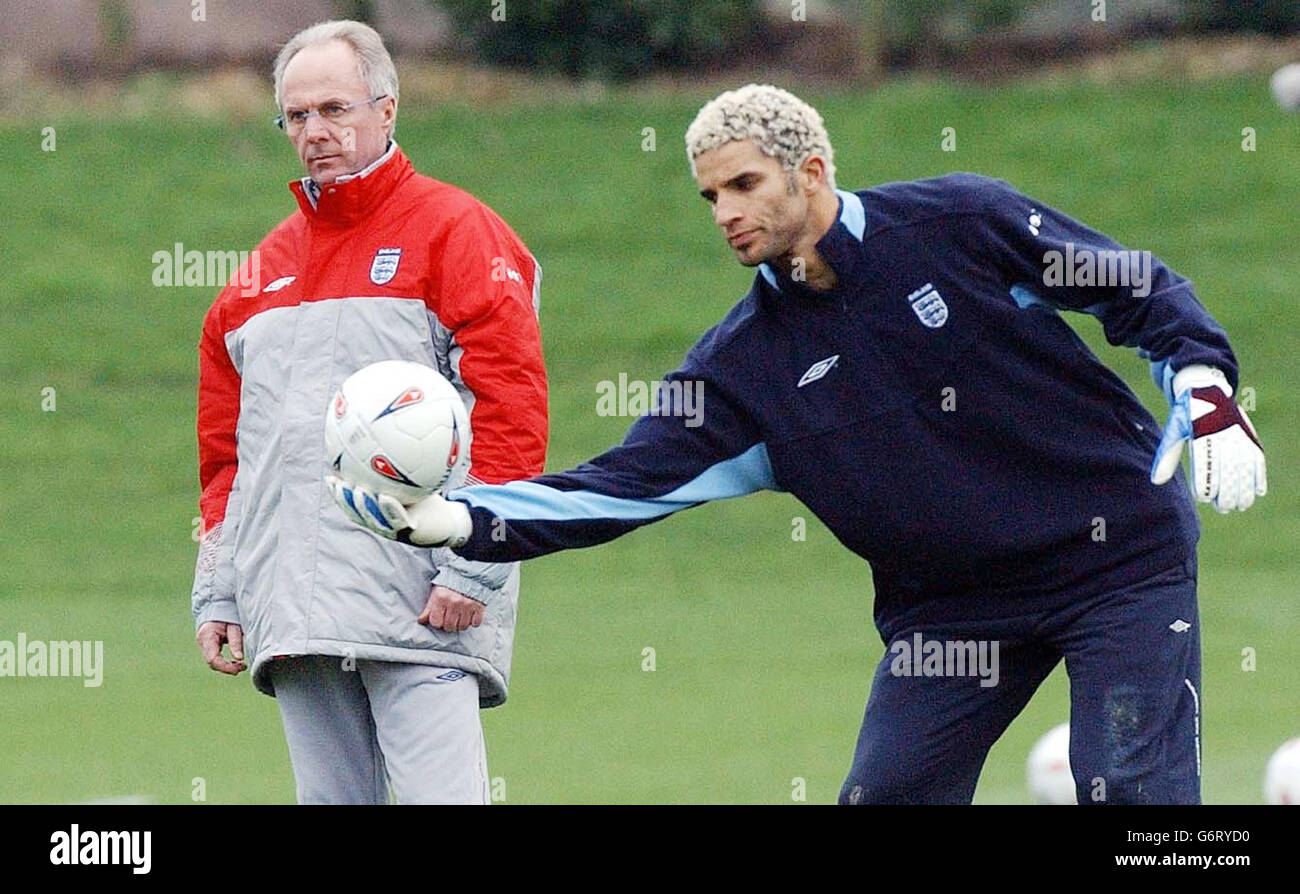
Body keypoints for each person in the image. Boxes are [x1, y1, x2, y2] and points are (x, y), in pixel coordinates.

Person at [328, 84, 1266, 804]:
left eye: (745, 184)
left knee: (1130, 792)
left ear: (811, 169)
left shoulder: (962, 224)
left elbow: (1136, 290)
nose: (725, 210)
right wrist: (458, 517)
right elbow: (618, 487)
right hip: (951, 616)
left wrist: (1208, 391)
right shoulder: (739, 373)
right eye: (709, 195)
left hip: (1116, 563)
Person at [191, 20, 548, 804]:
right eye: (297, 116)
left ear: (387, 110)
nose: (316, 131)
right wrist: (221, 590)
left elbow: (511, 409)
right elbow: (231, 457)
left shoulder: (458, 231)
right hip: (294, 615)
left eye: (335, 109)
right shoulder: (251, 282)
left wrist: (477, 564)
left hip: (425, 601)